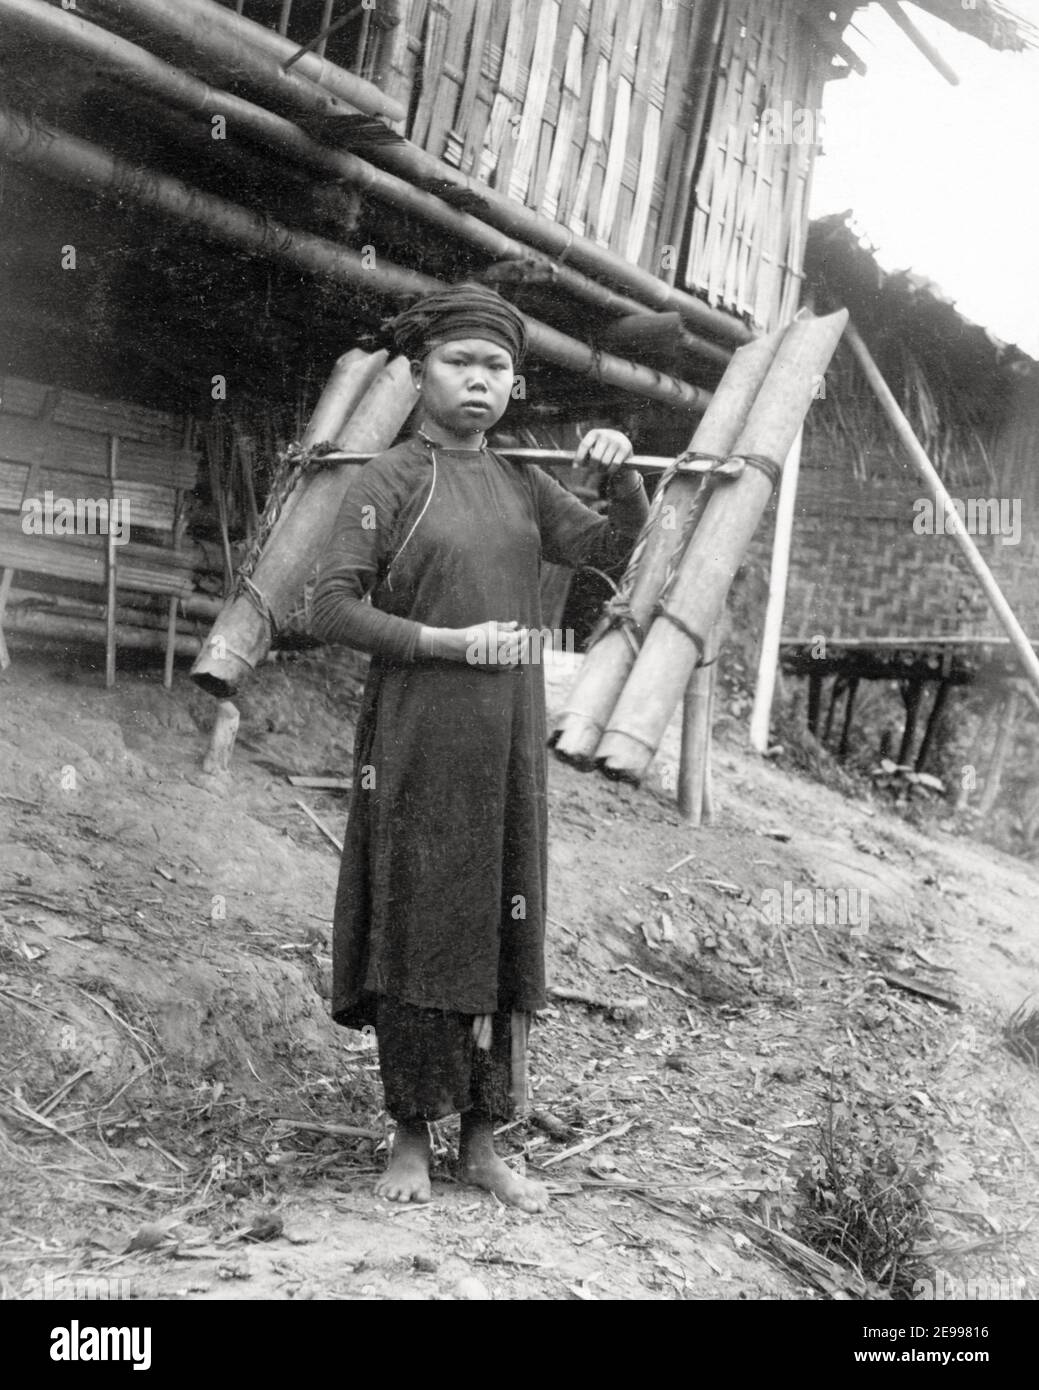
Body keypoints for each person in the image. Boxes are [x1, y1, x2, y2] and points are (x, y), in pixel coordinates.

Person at [310, 283, 648, 1211]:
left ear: (514, 386)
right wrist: (447, 645)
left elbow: (612, 556)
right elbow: (329, 605)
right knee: (420, 920)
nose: (477, 381)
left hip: (505, 742)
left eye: (496, 368)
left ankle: (486, 1141)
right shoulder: (387, 480)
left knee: (502, 923)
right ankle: (411, 1137)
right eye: (459, 363)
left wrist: (620, 472)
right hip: (417, 734)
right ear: (420, 375)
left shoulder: (521, 482)